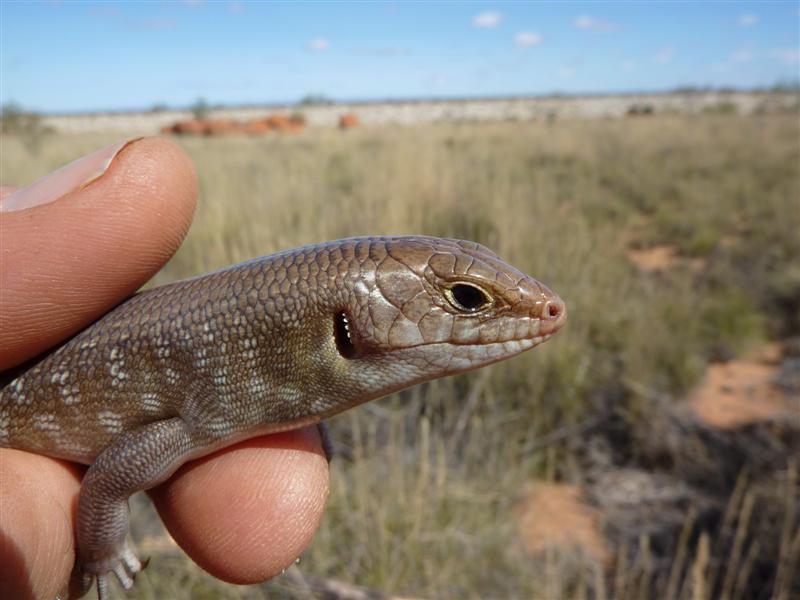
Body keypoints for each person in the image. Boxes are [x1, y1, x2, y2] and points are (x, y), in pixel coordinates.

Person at [0, 137, 329, 599]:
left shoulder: (222, 406)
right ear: (345, 328)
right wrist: (100, 555)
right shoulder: (196, 420)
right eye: (436, 290)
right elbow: (110, 480)